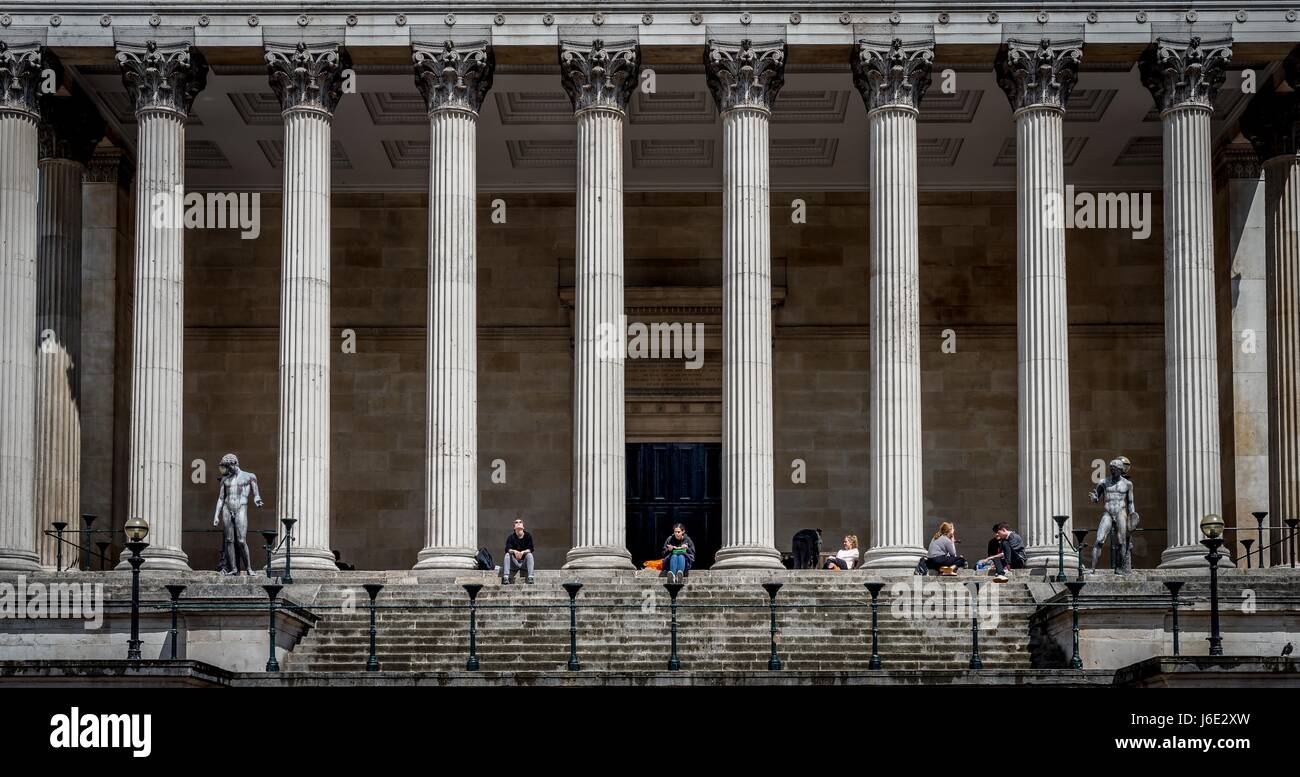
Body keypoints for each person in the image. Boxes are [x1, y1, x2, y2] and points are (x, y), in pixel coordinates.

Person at [212, 453, 262, 576]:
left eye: (229, 467)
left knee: (241, 540)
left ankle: (249, 568)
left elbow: (256, 493)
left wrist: (257, 500)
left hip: (241, 507)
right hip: (227, 509)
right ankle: (233, 568)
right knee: (229, 540)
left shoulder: (249, 476)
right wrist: (216, 515)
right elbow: (221, 498)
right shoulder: (225, 479)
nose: (227, 470)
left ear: (234, 464)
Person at [503, 517, 535, 584]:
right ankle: (505, 577)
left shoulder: (528, 536)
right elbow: (507, 549)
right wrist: (515, 551)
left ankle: (530, 577)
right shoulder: (511, 537)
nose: (518, 523)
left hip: (524, 563)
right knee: (507, 554)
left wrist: (523, 552)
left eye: (520, 522)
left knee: (529, 555)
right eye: (516, 522)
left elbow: (531, 549)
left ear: (523, 527)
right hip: (515, 563)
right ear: (514, 528)